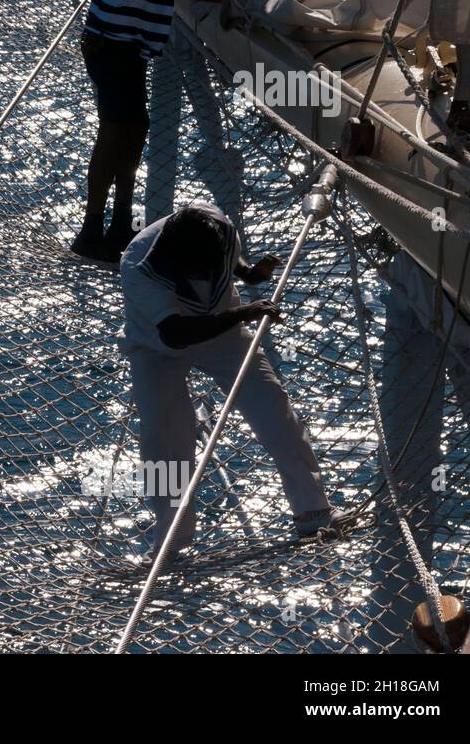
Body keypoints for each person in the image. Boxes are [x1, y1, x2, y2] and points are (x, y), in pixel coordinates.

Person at [73, 0, 280, 263]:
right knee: (116, 133)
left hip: (103, 44)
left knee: (130, 130)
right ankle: (93, 230)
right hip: (120, 50)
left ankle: (116, 222)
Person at [119, 203, 342, 559]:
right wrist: (247, 311)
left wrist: (250, 275)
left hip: (221, 332)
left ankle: (313, 512)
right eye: (195, 270)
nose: (203, 275)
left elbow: (232, 261)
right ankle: (170, 542)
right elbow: (176, 333)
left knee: (274, 411)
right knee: (165, 443)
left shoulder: (220, 225)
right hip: (157, 346)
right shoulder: (138, 267)